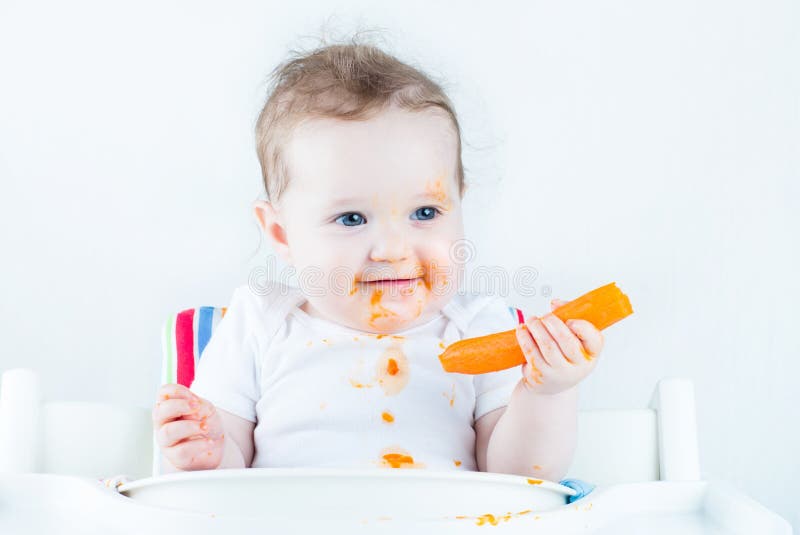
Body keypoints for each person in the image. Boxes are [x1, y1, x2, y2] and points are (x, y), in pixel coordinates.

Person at [152, 39, 604, 481]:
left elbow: (518, 478)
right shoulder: (258, 324)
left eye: (424, 213)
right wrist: (205, 450)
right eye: (351, 218)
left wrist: (545, 393)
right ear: (280, 233)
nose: (392, 250)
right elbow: (221, 483)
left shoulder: (483, 327)